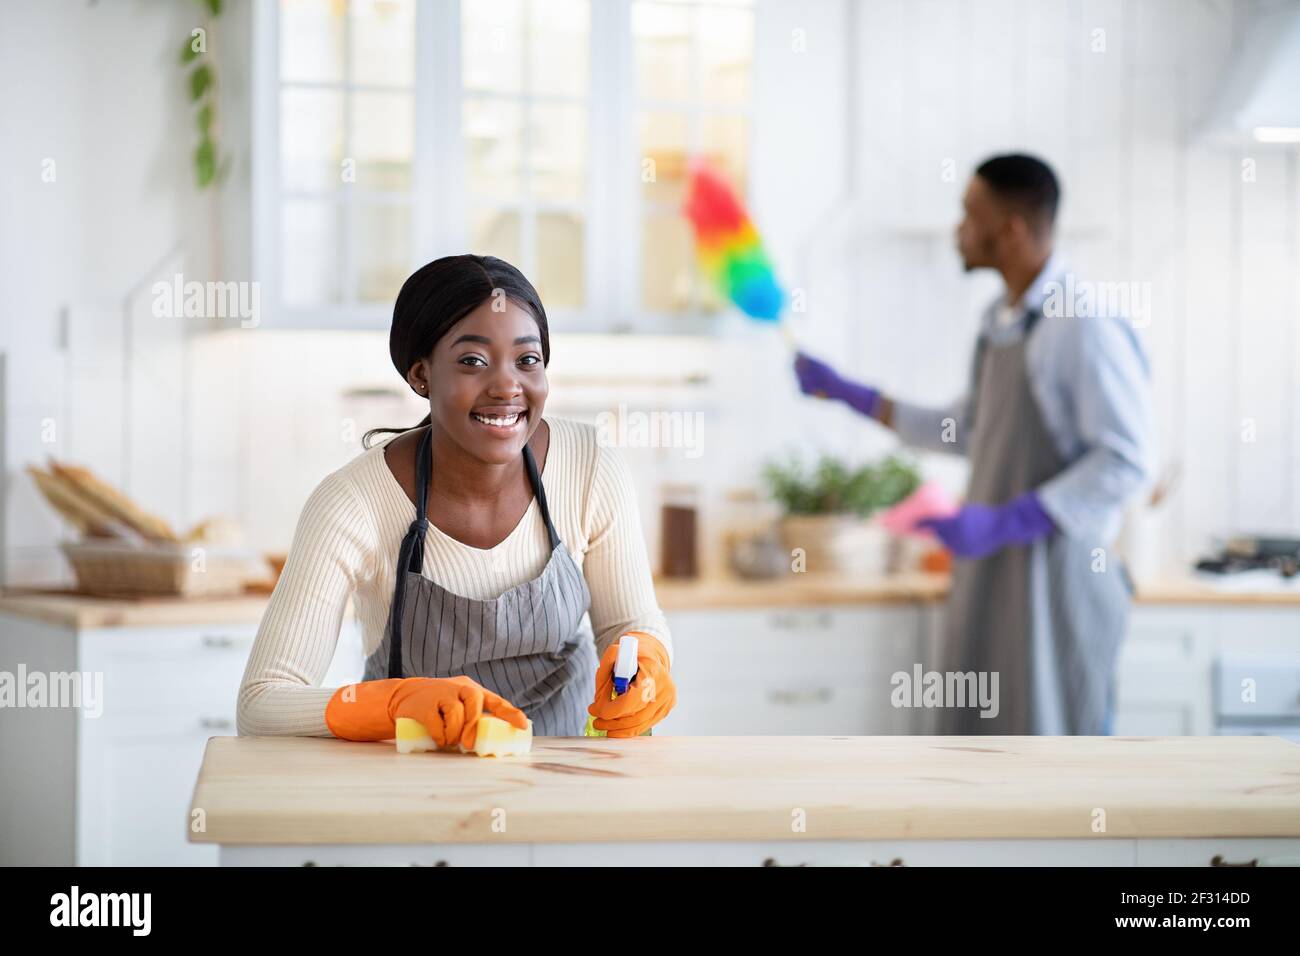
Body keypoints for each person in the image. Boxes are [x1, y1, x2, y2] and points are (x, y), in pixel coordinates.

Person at [238, 254, 675, 744]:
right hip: (414, 789)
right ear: (421, 375)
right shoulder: (353, 503)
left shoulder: (590, 467)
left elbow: (629, 623)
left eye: (527, 360)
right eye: (473, 361)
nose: (507, 385)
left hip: (567, 774)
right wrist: (396, 704)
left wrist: (646, 658)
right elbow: (262, 704)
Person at [794, 154, 1152, 735]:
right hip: (1000, 578)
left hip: (1058, 583)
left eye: (968, 215)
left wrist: (1013, 518)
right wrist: (855, 396)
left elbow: (1126, 459)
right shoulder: (1000, 322)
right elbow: (966, 431)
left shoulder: (1080, 323)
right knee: (987, 757)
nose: (957, 230)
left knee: (1058, 762)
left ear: (1009, 230)